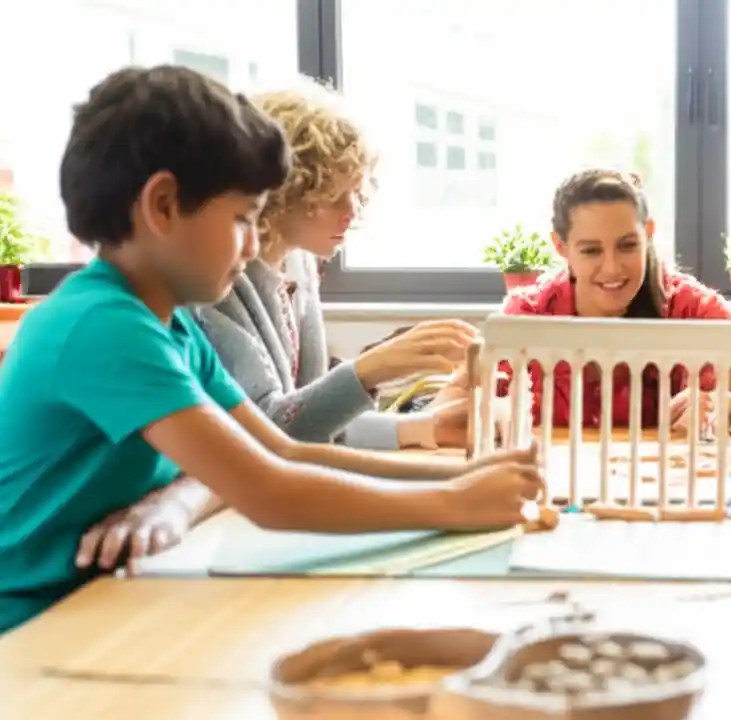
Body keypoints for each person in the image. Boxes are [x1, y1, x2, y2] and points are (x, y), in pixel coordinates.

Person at [0, 66, 541, 633]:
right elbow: (266, 490)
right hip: (33, 623)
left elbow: (283, 450)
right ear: (162, 206)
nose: (256, 244)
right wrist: (454, 506)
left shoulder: (170, 325)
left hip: (105, 602)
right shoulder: (104, 326)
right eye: (241, 219)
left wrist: (459, 477)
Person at [196, 84, 476, 452]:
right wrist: (372, 368)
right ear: (283, 191)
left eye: (356, 192)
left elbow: (310, 421)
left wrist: (428, 428)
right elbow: (268, 433)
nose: (352, 211)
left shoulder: (299, 266)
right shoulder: (214, 282)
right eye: (332, 194)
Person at [429, 169, 731, 432]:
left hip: (664, 497)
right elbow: (444, 408)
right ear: (561, 247)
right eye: (591, 250)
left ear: (648, 234)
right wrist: (490, 412)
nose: (612, 268)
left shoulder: (694, 310)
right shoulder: (527, 316)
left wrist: (725, 406)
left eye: (627, 245)